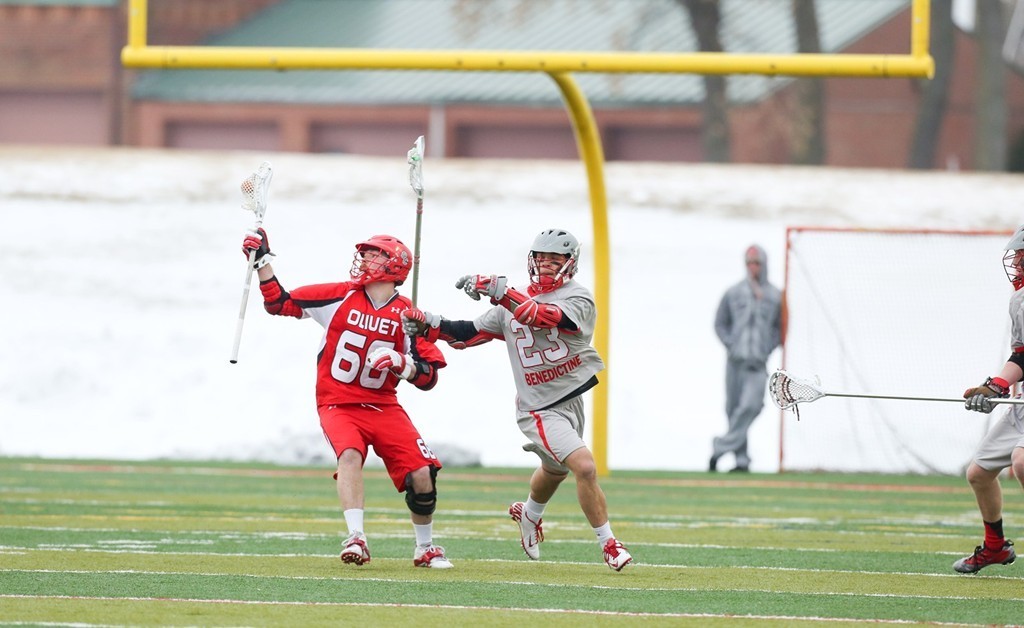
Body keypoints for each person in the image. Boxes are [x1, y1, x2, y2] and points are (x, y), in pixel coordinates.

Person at [401, 228, 632, 571]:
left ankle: (529, 514)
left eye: (555, 260)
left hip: (571, 399)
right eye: (541, 259)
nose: (546, 266)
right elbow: (466, 335)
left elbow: (544, 317)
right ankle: (609, 544)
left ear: (570, 264)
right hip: (538, 406)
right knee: (584, 466)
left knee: (555, 470)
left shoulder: (579, 298)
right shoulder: (512, 299)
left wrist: (501, 292)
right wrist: (428, 325)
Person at [240, 227, 453, 569]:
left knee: (422, 475)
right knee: (350, 454)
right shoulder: (340, 296)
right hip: (338, 402)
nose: (365, 259)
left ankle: (425, 548)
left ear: (394, 265)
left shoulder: (407, 315)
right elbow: (278, 303)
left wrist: (403, 365)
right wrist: (262, 261)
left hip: (384, 405)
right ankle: (356, 537)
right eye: (366, 253)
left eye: (374, 254)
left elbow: (429, 377)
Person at [956, 224, 1024, 574]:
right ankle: (995, 548)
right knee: (979, 472)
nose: (1018, 262)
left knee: (1022, 462)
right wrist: (994, 387)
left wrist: (998, 386)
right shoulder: (1019, 300)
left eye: (1023, 256)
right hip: (1022, 404)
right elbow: (1022, 355)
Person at [710, 244, 783, 473]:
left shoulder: (774, 295)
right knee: (733, 410)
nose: (753, 268)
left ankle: (720, 446)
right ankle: (741, 461)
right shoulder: (733, 293)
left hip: (757, 363)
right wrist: (731, 345)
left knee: (751, 406)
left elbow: (779, 329)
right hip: (735, 362)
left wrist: (767, 348)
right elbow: (720, 323)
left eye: (757, 263)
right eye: (750, 263)